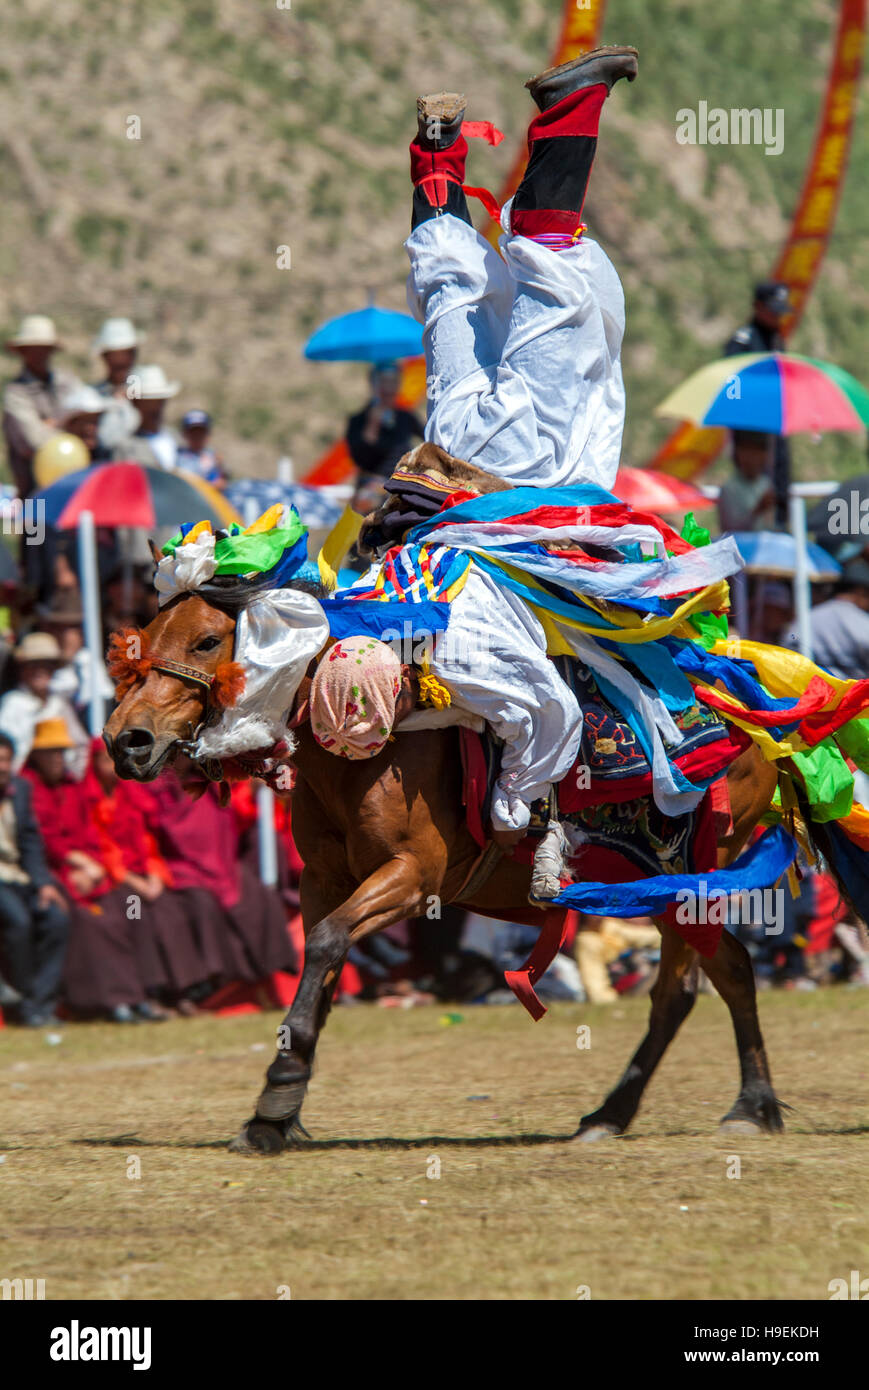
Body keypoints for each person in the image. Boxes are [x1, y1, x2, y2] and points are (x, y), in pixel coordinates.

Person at [398, 49, 637, 850]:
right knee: (451, 292)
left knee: (549, 296)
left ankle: (569, 109)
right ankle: (436, 150)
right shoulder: (443, 613)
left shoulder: (465, 627)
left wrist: (517, 803)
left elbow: (543, 707)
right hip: (454, 445)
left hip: (511, 467)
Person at [22, 718, 168, 1021]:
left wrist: (98, 867)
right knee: (96, 924)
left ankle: (142, 994)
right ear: (36, 756)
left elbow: (94, 835)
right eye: (50, 753)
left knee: (132, 912)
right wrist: (80, 863)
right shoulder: (31, 788)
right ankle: (112, 1001)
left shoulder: (73, 788)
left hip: (103, 878)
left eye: (60, 752)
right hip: (60, 874)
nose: (57, 759)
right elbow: (41, 838)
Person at [0, 731, 69, 1026]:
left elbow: (30, 841)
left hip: (18, 875)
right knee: (19, 921)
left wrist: (44, 884)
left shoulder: (20, 789)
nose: (2, 766)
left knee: (56, 919)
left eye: (5, 760)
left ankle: (40, 1003)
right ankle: (26, 1003)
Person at [724, 281, 793, 525]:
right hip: (753, 437)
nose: (777, 317)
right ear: (758, 307)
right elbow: (732, 388)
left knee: (780, 498)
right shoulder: (742, 342)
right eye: (772, 310)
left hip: (776, 436)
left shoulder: (776, 341)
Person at [2, 315, 82, 496]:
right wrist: (70, 424)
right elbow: (35, 440)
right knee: (34, 525)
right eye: (34, 349)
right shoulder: (16, 393)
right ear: (23, 352)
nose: (40, 354)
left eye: (44, 349)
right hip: (34, 491)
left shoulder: (67, 381)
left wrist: (54, 423)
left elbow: (88, 415)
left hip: (73, 489)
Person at [0, 631, 90, 776]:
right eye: (33, 665)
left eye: (46, 665)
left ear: (53, 669)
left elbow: (80, 745)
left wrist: (74, 776)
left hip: (59, 784)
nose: (39, 671)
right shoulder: (12, 703)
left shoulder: (59, 703)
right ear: (22, 669)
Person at [346, 363, 424, 480]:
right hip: (373, 483)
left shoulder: (405, 417)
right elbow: (360, 457)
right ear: (374, 386)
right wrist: (372, 425)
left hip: (402, 480)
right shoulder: (359, 420)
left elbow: (428, 436)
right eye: (384, 382)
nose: (389, 388)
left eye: (394, 382)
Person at [91, 317, 145, 453]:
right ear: (105, 357)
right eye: (115, 356)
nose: (121, 361)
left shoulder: (144, 389)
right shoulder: (93, 396)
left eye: (126, 354)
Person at [112, 364, 180, 470]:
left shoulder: (177, 439)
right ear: (136, 403)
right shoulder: (126, 447)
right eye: (148, 402)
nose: (154, 407)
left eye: (159, 401)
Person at [716, 430, 775, 534]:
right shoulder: (729, 489)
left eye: (757, 451)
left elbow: (770, 525)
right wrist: (757, 510)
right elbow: (729, 529)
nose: (752, 458)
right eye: (747, 451)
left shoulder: (765, 484)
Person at [176, 409, 225, 486]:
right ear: (185, 434)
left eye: (201, 433)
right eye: (193, 433)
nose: (197, 437)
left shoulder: (213, 456)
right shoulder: (177, 456)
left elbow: (222, 481)